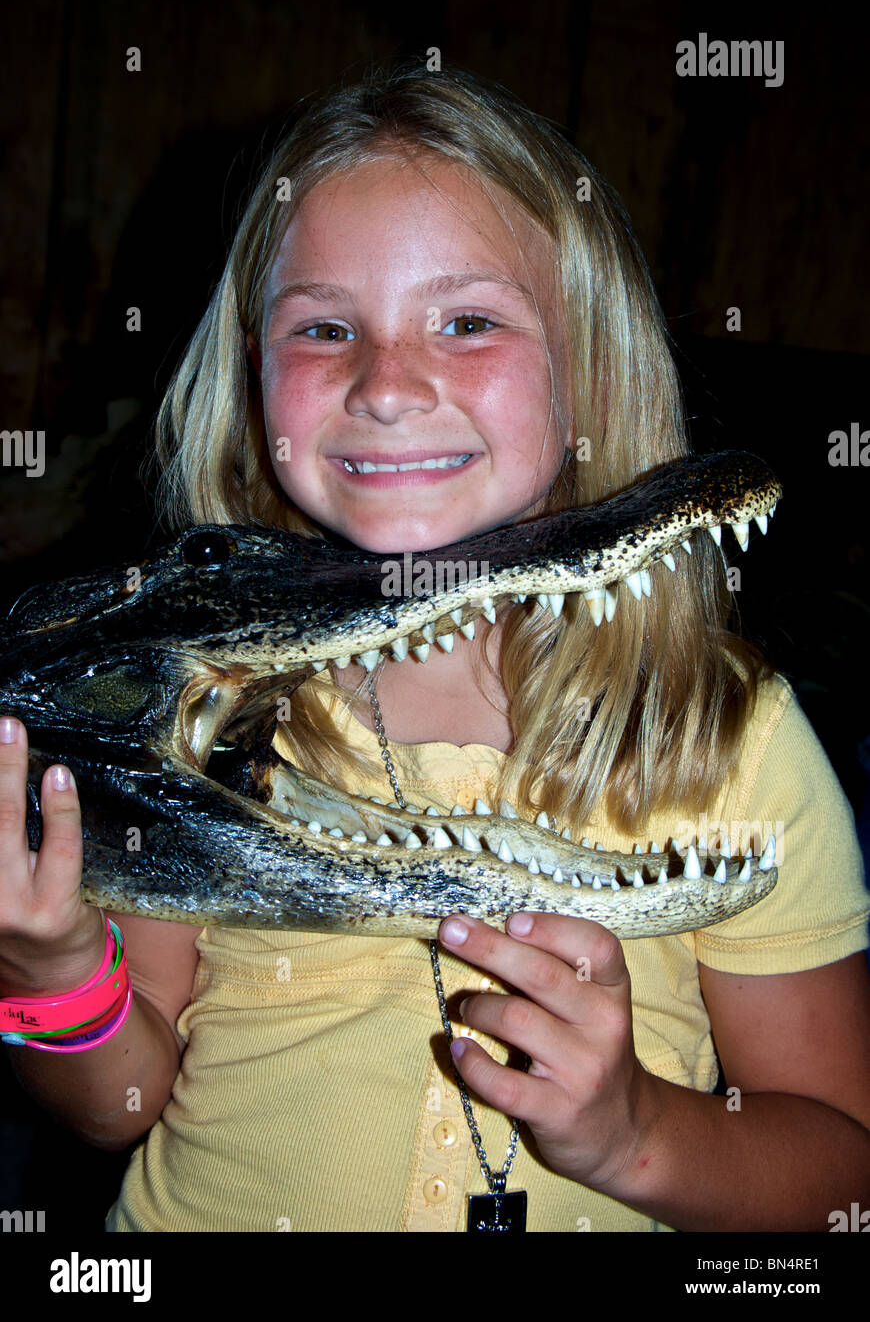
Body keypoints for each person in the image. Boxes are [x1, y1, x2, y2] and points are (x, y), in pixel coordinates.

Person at [2, 60, 869, 1233]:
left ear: (585, 385)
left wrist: (639, 1132)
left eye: (466, 322)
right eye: (323, 326)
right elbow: (117, 1102)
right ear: (256, 374)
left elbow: (839, 1171)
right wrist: (51, 970)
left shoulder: (721, 732)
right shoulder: (194, 703)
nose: (388, 383)